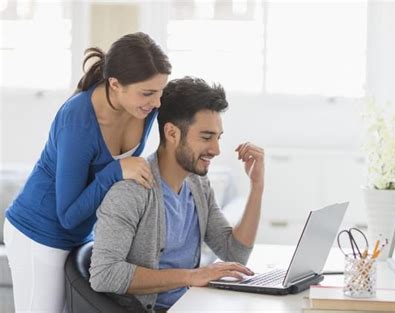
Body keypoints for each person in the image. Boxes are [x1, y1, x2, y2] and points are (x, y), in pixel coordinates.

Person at [3, 32, 171, 313]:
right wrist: (115, 170)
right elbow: (67, 215)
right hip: (39, 233)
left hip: (84, 235)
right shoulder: (78, 121)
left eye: (161, 91)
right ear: (115, 84)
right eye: (148, 93)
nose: (157, 102)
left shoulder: (146, 105)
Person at [89, 76, 265, 312]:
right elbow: (104, 274)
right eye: (206, 137)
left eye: (218, 137)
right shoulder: (131, 190)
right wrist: (191, 276)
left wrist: (257, 185)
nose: (216, 150)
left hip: (194, 304)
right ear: (172, 134)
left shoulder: (198, 185)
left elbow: (234, 252)